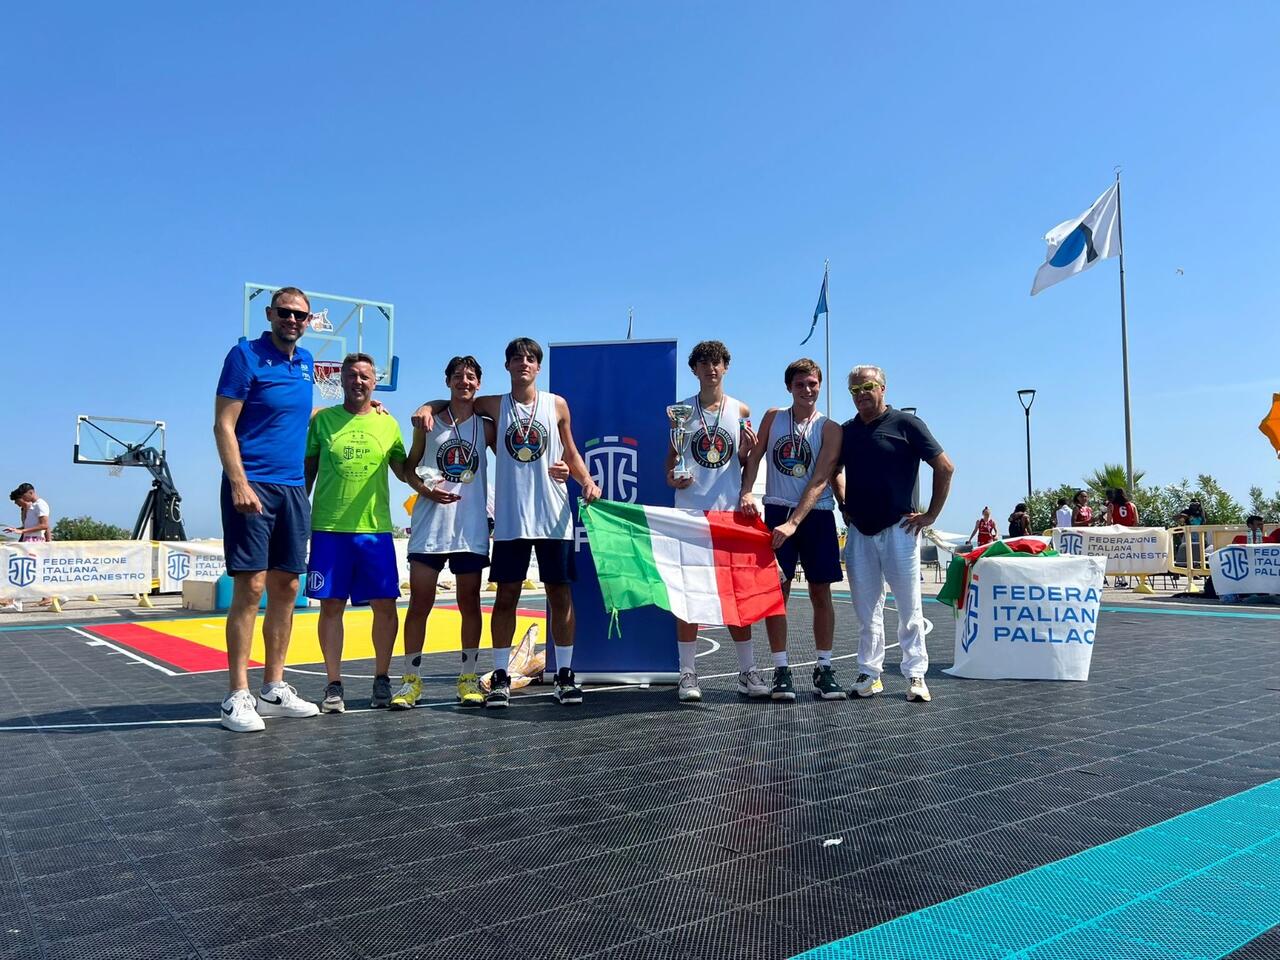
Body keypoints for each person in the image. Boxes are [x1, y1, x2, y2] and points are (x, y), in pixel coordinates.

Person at [413, 338, 602, 706]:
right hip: (512, 519)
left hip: (553, 517)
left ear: (538, 366)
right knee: (506, 597)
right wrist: (426, 406)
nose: (523, 363)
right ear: (508, 366)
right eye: (517, 358)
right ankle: (500, 675)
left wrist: (586, 481)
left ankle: (564, 675)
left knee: (559, 595)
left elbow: (570, 452)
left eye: (530, 358)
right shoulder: (494, 405)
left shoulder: (556, 404)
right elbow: (457, 400)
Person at [213, 286, 321, 733]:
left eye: (300, 315)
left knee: (288, 587)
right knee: (250, 586)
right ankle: (236, 694)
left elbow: (297, 414)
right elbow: (223, 424)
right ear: (270, 314)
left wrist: (358, 408)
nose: (292, 320)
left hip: (293, 488)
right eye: (285, 312)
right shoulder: (244, 356)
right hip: (252, 484)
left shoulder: (306, 362)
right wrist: (238, 482)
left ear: (308, 321)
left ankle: (273, 688)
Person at [304, 353, 413, 714]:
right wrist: (294, 517)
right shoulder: (323, 421)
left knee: (385, 605)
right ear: (341, 380)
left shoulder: (389, 424)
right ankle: (333, 684)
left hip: (374, 531)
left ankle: (382, 678)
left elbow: (404, 472)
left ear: (375, 382)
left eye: (365, 376)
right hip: (329, 529)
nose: (358, 381)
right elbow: (307, 473)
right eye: (351, 375)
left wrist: (428, 461)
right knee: (331, 606)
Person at [838, 364, 954, 703]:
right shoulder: (847, 431)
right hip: (860, 532)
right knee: (866, 609)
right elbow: (833, 469)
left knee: (909, 607)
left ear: (882, 388)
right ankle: (869, 674)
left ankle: (916, 675)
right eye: (855, 390)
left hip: (900, 530)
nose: (861, 394)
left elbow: (945, 466)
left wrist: (931, 515)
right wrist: (843, 503)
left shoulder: (906, 424)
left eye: (867, 387)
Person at [664, 340, 766, 703]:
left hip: (729, 515)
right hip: (690, 515)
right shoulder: (680, 412)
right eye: (704, 363)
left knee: (738, 595)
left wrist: (745, 453)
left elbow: (743, 462)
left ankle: (747, 671)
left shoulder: (740, 409)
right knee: (688, 597)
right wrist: (672, 477)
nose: (711, 368)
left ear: (726, 367)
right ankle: (687, 673)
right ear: (694, 370)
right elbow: (671, 461)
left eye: (717, 362)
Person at [739, 358, 845, 702]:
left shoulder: (830, 428)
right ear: (789, 387)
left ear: (820, 385)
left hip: (816, 515)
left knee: (820, 592)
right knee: (776, 594)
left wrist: (794, 522)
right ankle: (781, 669)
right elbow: (755, 456)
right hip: (776, 510)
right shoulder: (773, 417)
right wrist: (746, 491)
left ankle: (824, 667)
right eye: (800, 384)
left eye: (812, 384)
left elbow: (821, 478)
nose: (807, 390)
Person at [395, 355, 496, 709]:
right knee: (419, 603)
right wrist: (424, 490)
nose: (464, 381)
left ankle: (468, 678)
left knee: (470, 604)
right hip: (430, 527)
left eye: (470, 377)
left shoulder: (486, 427)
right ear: (447, 381)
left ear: (479, 383)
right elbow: (408, 470)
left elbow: (514, 459)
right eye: (457, 376)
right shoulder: (428, 422)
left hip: (470, 529)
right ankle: (410, 681)